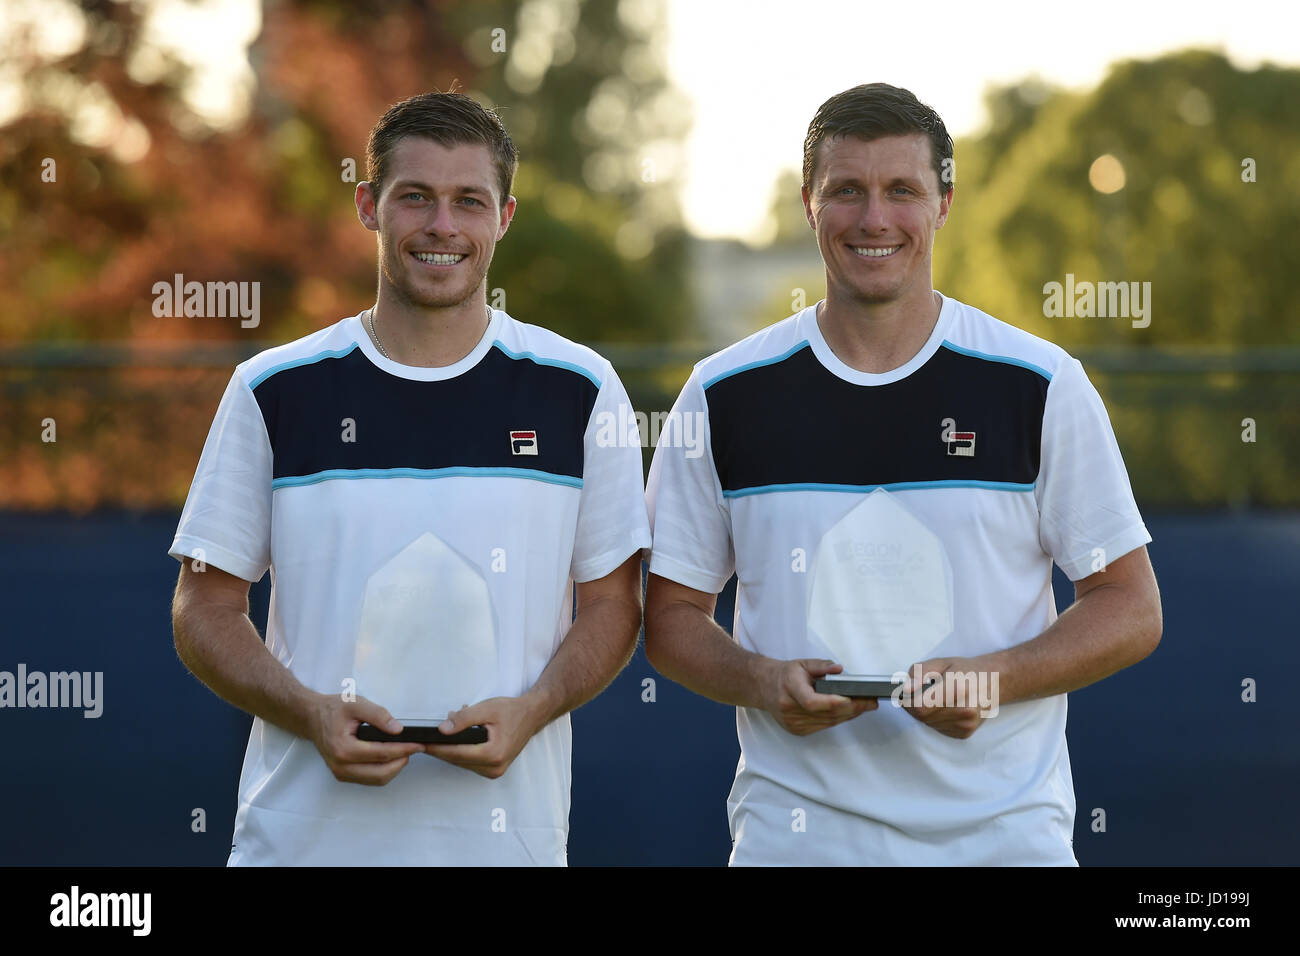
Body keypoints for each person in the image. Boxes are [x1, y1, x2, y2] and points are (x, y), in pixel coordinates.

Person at [643, 83, 1162, 866]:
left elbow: (1130, 607)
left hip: (1007, 841)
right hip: (798, 839)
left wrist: (994, 678)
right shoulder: (723, 392)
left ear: (944, 202)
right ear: (808, 205)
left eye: (902, 191)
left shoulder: (1040, 382)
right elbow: (669, 614)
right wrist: (759, 680)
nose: (874, 219)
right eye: (846, 191)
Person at [168, 92, 649, 866]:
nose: (442, 227)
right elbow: (204, 604)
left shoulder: (581, 389)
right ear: (368, 205)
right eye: (414, 197)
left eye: (469, 202)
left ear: (504, 218)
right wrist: (308, 712)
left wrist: (532, 711)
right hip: (296, 847)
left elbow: (612, 605)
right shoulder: (273, 387)